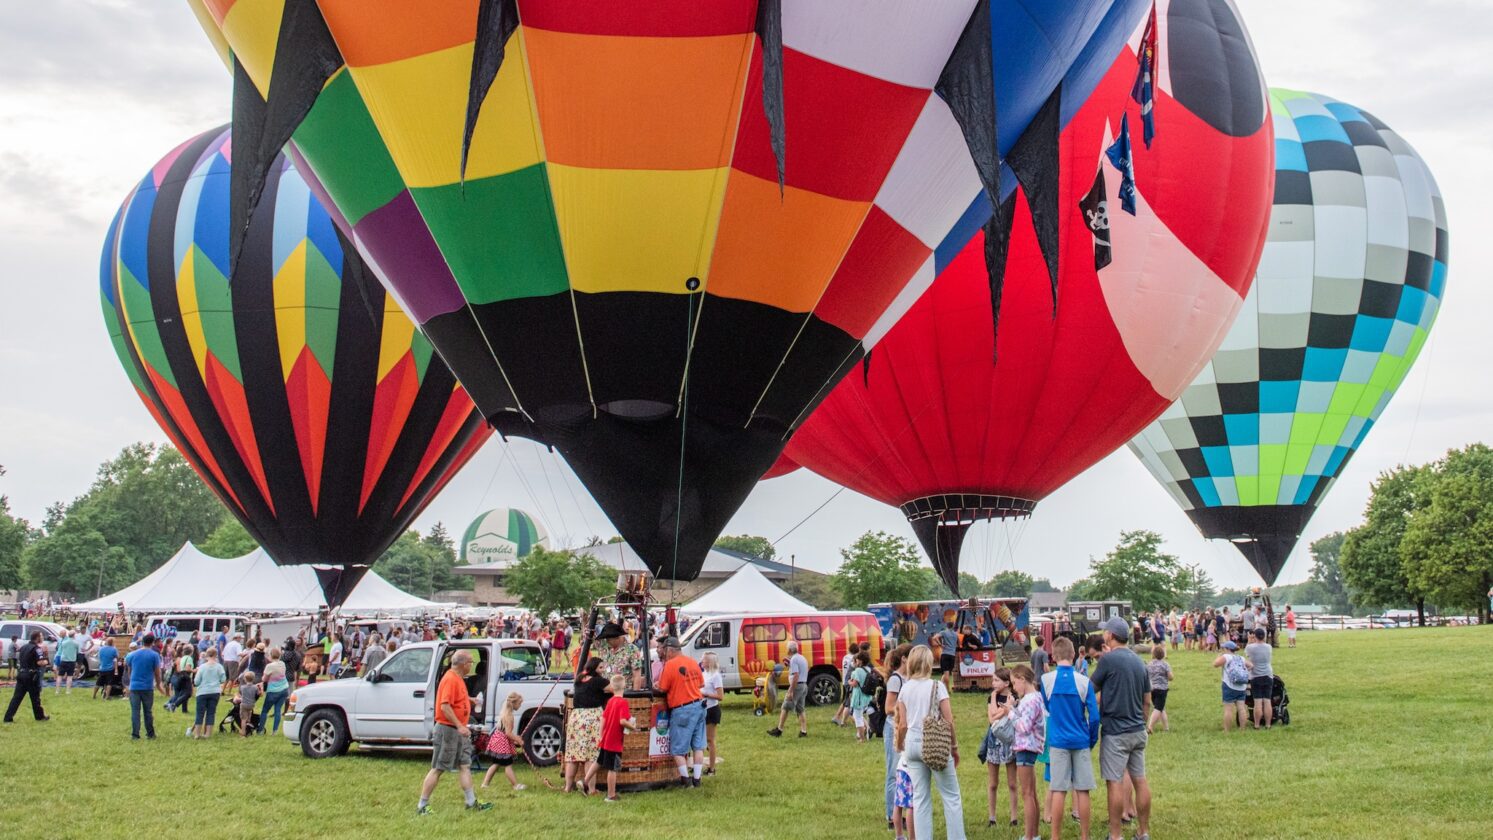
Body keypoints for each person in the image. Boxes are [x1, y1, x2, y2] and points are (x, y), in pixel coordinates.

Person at [1090, 617, 1152, 840]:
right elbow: (1147, 699)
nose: (1103, 634)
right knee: (1140, 780)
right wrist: (1143, 722)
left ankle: (1115, 835)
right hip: (1138, 730)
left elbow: (1090, 688)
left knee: (1114, 783)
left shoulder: (1108, 660)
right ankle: (1143, 832)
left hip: (1115, 731)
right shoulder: (1139, 661)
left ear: (1111, 636)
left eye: (1105, 631)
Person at [895, 645, 964, 840]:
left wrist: (901, 745)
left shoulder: (905, 688)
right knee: (951, 796)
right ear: (928, 662)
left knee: (920, 798)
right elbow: (948, 720)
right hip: (934, 742)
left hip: (912, 744)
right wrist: (954, 746)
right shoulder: (937, 686)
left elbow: (902, 724)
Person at [417, 651, 491, 814]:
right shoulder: (450, 679)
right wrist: (459, 726)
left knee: (465, 765)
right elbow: (445, 706)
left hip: (458, 732)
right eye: (471, 662)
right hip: (448, 731)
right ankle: (422, 805)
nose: (472, 665)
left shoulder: (458, 679)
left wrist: (470, 700)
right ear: (464, 664)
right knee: (438, 768)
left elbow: (455, 700)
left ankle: (471, 802)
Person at [1041, 637, 1099, 840]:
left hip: (1058, 741)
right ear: (1074, 655)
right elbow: (1094, 717)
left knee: (1058, 789)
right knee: (1083, 790)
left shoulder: (1045, 680)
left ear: (1053, 656)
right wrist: (1091, 740)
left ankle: (1055, 836)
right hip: (1080, 740)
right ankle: (1085, 836)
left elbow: (1048, 708)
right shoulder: (1084, 681)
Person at [655, 636, 707, 787]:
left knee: (678, 749)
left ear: (670, 651)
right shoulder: (692, 662)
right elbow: (700, 684)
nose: (664, 653)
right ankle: (697, 779)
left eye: (664, 650)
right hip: (699, 706)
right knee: (698, 746)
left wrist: (656, 685)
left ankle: (685, 780)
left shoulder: (670, 665)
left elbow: (662, 688)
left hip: (682, 709)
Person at [980, 667, 1018, 828]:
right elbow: (991, 718)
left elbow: (1002, 715)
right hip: (993, 742)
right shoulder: (992, 697)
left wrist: (1002, 712)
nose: (993, 683)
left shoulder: (1014, 697)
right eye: (993, 680)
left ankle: (1014, 817)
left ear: (1007, 682)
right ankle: (992, 817)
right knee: (993, 783)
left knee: (1012, 783)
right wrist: (1004, 709)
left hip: (1009, 742)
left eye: (996, 680)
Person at [1010, 663, 1044, 840]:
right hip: (1030, 748)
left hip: (1025, 747)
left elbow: (1023, 726)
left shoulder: (1030, 700)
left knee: (1027, 794)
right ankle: (1034, 833)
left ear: (1023, 680)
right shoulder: (1036, 697)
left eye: (1015, 683)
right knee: (1032, 793)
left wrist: (1010, 713)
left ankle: (1029, 836)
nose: (1014, 688)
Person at [564, 656, 608, 794]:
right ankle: (591, 789)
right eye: (601, 667)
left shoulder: (579, 679)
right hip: (592, 718)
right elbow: (615, 688)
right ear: (594, 668)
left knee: (573, 755)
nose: (603, 669)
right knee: (590, 755)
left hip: (576, 718)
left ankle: (567, 787)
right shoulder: (599, 681)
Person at [597, 674, 643, 802]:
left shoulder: (610, 701)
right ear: (625, 686)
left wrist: (601, 735)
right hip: (615, 741)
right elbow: (623, 721)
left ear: (612, 687)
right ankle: (611, 795)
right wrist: (633, 727)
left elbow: (603, 718)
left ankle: (585, 782)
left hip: (607, 738)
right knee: (612, 769)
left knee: (600, 762)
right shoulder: (623, 702)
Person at [882, 643, 911, 833]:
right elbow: (888, 708)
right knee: (894, 771)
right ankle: (891, 815)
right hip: (893, 726)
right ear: (904, 659)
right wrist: (907, 709)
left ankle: (903, 812)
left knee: (905, 771)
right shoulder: (896, 679)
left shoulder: (909, 678)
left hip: (905, 726)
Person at [480, 692, 527, 791]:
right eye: (519, 703)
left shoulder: (504, 713)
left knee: (496, 763)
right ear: (513, 703)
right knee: (507, 764)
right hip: (502, 743)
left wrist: (515, 738)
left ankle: (485, 784)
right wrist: (518, 739)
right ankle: (515, 785)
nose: (520, 706)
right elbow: (508, 733)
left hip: (497, 740)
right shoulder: (509, 716)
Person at [124, 634, 166, 740]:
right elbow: (157, 672)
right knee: (148, 711)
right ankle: (150, 733)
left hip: (134, 686)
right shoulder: (154, 655)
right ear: (152, 643)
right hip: (147, 686)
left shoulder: (131, 655)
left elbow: (129, 671)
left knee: (135, 711)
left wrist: (131, 683)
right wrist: (159, 685)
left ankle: (135, 734)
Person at [3, 630, 50, 723]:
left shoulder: (24, 647)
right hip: (31, 676)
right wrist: (46, 660)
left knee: (16, 697)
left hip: (21, 674)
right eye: (41, 636)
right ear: (37, 638)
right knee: (35, 698)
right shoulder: (37, 649)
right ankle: (39, 717)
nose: (42, 638)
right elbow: (40, 662)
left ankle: (8, 718)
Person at [767, 640, 809, 738]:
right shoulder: (802, 658)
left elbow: (796, 675)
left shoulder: (794, 659)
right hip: (803, 685)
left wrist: (790, 690)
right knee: (800, 709)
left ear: (790, 650)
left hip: (797, 686)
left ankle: (779, 730)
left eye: (787, 648)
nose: (786, 650)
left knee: (785, 707)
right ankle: (803, 732)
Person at [595, 622, 644, 691]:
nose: (607, 641)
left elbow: (637, 676)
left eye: (608, 639)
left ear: (617, 637)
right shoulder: (605, 647)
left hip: (623, 695)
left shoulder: (632, 650)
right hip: (605, 694)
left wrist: (635, 697)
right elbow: (589, 637)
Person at [1214, 640, 1249, 732]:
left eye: (1223, 648)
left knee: (1228, 709)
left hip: (1229, 685)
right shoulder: (1241, 658)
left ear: (1227, 649)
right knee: (1241, 708)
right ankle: (1242, 729)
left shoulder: (1226, 657)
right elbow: (1251, 665)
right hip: (1241, 686)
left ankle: (1226, 730)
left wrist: (1219, 656)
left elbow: (1215, 664)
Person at [193, 647, 226, 739]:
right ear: (216, 655)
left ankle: (197, 734)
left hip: (202, 692)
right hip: (215, 691)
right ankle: (207, 734)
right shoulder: (219, 667)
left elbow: (196, 682)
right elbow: (223, 679)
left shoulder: (202, 667)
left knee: (200, 713)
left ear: (207, 655)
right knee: (211, 713)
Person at [700, 652, 725, 774]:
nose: (701, 662)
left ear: (709, 662)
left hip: (712, 710)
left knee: (710, 740)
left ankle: (712, 768)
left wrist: (706, 695)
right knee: (702, 739)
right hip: (702, 709)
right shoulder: (704, 674)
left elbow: (720, 696)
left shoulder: (715, 676)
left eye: (704, 660)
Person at [1245, 628, 1274, 728]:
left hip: (1255, 675)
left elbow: (1246, 654)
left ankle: (1257, 725)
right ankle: (1268, 724)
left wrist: (1249, 639)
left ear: (1255, 636)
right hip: (1268, 674)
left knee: (1257, 701)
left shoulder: (1251, 647)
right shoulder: (1269, 647)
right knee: (1267, 700)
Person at [259, 647, 291, 734]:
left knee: (265, 710)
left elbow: (264, 679)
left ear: (270, 655)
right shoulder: (282, 664)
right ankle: (275, 731)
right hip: (284, 689)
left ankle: (260, 729)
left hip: (273, 690)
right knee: (278, 709)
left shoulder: (269, 666)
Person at [1146, 647, 1174, 734]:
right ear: (1163, 655)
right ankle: (1150, 727)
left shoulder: (1149, 664)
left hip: (1152, 689)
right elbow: (1170, 677)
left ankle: (1166, 728)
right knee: (1158, 708)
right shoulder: (1165, 664)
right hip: (1162, 689)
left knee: (1161, 708)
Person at [849, 650, 873, 742]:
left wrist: (849, 682)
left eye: (857, 659)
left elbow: (855, 683)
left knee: (857, 717)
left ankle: (862, 738)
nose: (856, 661)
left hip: (858, 696)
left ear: (861, 661)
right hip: (866, 697)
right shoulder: (868, 669)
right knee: (860, 715)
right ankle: (866, 730)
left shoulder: (858, 670)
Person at [164, 643, 194, 714]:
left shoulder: (182, 658)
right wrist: (195, 670)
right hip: (184, 676)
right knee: (187, 694)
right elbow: (187, 668)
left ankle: (184, 709)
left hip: (179, 676)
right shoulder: (188, 658)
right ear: (191, 651)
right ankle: (173, 705)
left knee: (182, 694)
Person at [833, 644, 857, 728]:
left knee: (846, 700)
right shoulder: (854, 658)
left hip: (844, 680)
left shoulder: (845, 657)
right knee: (848, 702)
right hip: (850, 681)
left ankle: (837, 716)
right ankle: (846, 719)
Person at [55, 630, 79, 694]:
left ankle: (57, 690)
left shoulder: (64, 643)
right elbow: (77, 652)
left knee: (60, 676)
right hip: (71, 661)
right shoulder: (76, 643)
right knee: (69, 676)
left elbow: (61, 650)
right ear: (74, 635)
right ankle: (68, 690)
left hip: (63, 660)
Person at [936, 623, 958, 689]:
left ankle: (947, 689)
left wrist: (940, 644)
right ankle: (939, 687)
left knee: (946, 673)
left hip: (945, 654)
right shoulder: (955, 634)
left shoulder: (944, 632)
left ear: (946, 626)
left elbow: (935, 637)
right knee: (947, 673)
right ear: (953, 626)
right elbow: (958, 643)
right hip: (952, 655)